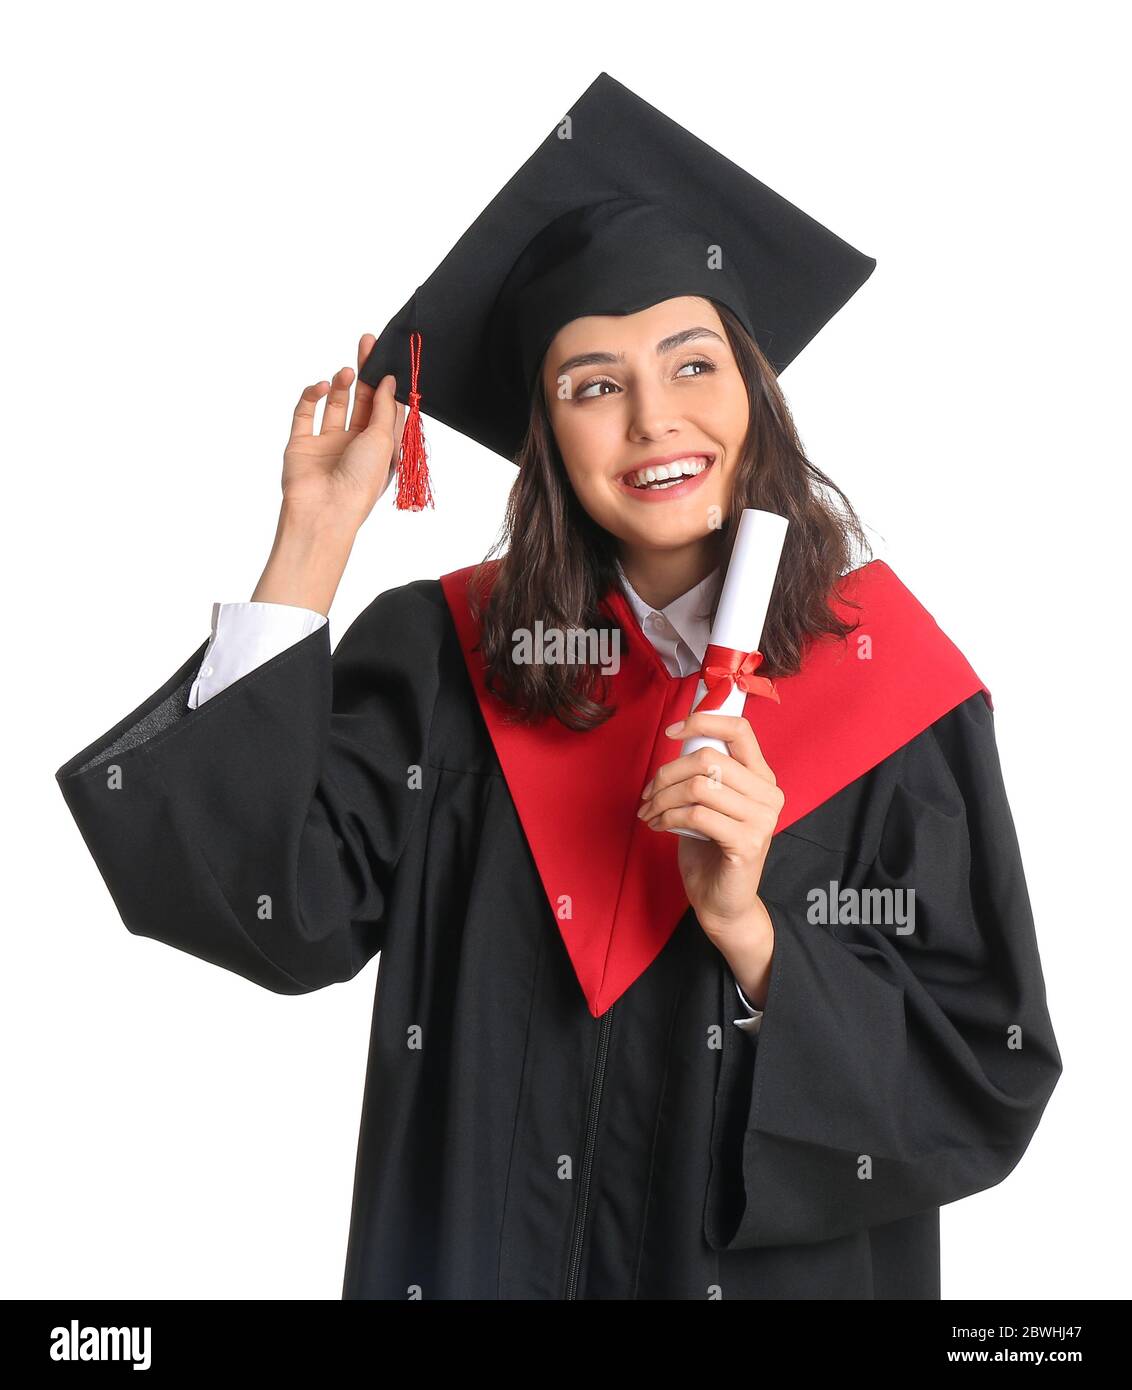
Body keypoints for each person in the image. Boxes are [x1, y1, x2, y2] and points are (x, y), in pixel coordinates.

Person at [55, 72, 1061, 1300]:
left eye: (692, 364)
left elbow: (978, 1071)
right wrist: (310, 545)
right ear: (546, 428)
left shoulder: (891, 687)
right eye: (592, 384)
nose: (653, 419)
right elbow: (261, 906)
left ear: (753, 390)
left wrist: (757, 934)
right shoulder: (448, 660)